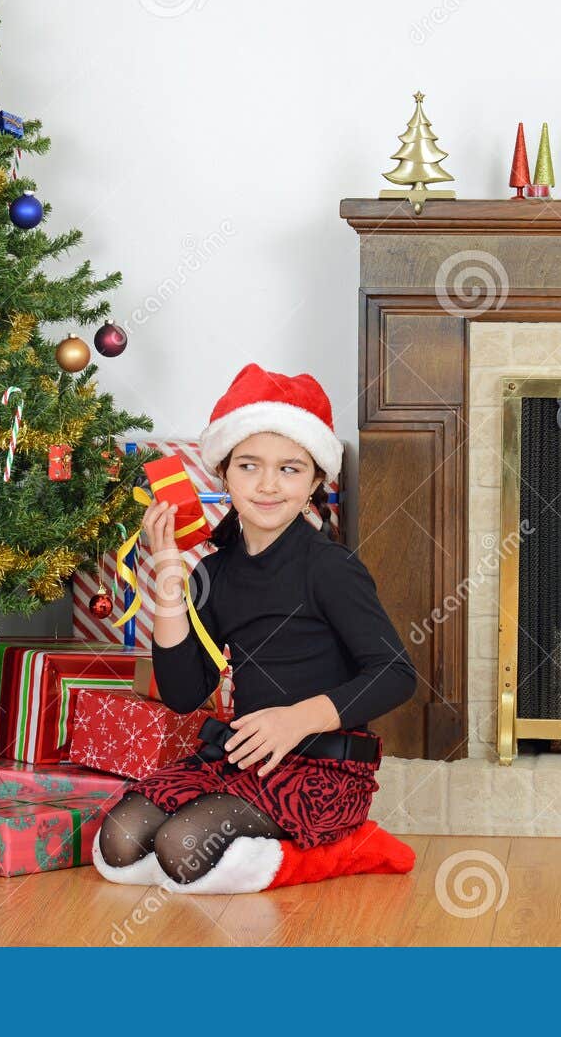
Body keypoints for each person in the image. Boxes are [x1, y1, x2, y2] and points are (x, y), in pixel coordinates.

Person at [94, 362, 417, 889]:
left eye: (289, 469)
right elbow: (183, 694)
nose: (268, 485)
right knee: (120, 839)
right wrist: (171, 584)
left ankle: (349, 846)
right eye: (249, 466)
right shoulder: (214, 572)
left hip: (322, 768)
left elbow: (395, 674)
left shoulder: (329, 567)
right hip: (244, 759)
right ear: (224, 474)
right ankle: (252, 844)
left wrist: (294, 721)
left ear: (316, 481)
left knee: (181, 845)